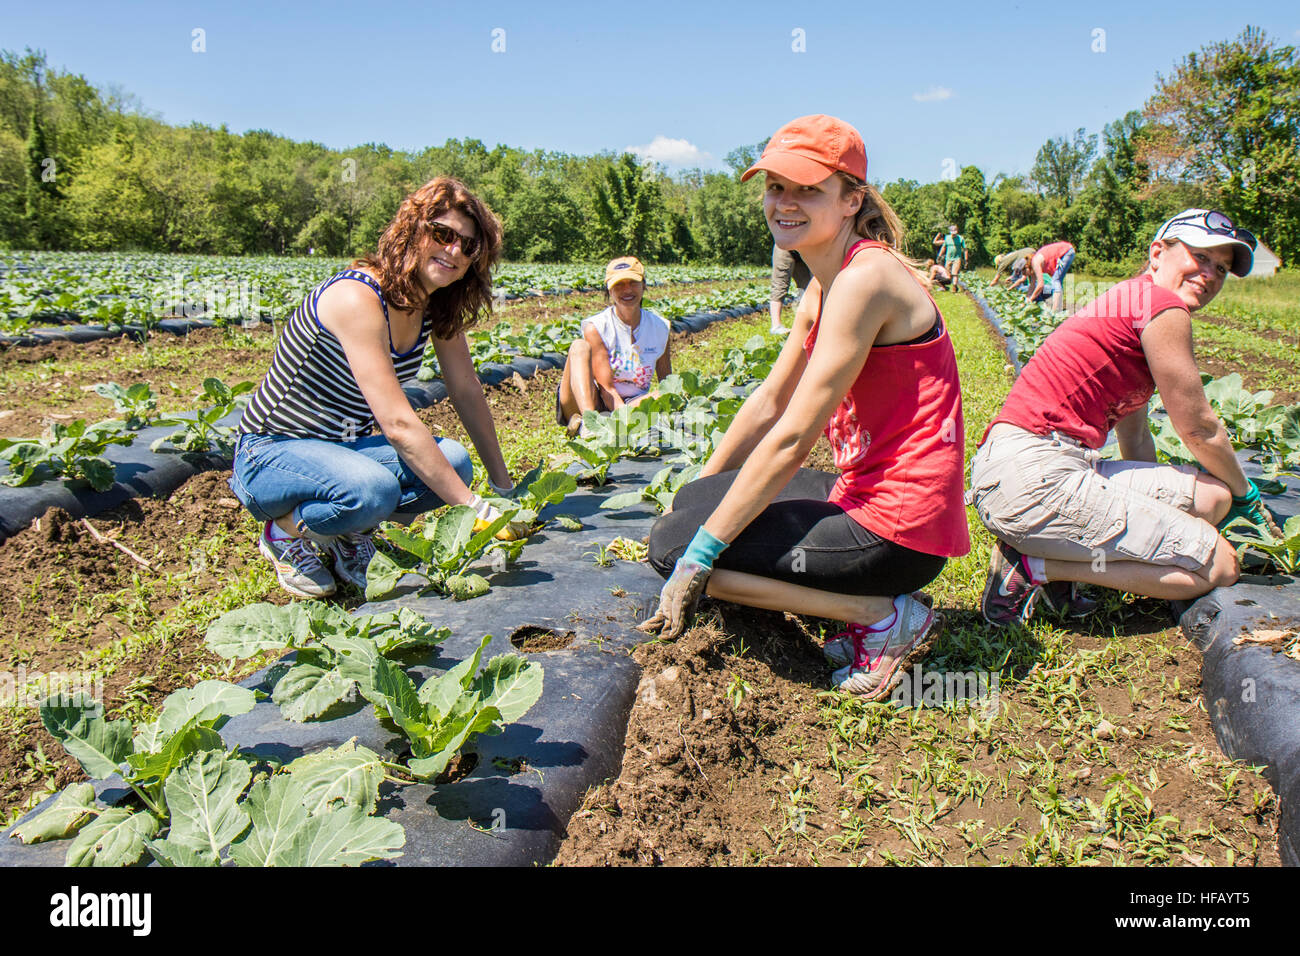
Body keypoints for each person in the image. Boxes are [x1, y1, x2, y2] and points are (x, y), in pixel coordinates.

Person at [638, 114, 970, 700]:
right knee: (693, 502)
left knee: (673, 549)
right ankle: (863, 598)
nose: (784, 203)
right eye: (775, 187)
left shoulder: (866, 280)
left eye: (807, 189)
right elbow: (770, 400)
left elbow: (793, 437)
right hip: (863, 494)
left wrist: (699, 555)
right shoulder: (823, 283)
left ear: (851, 200)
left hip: (900, 531)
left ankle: (878, 614)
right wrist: (705, 491)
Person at [972, 209, 1279, 627]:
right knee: (1220, 566)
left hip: (1031, 468)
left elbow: (1135, 440)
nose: (1210, 274)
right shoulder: (1162, 305)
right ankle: (1032, 567)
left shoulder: (1134, 299)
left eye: (1221, 268)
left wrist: (1158, 518)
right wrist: (1247, 495)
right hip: (1031, 479)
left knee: (1213, 498)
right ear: (1158, 252)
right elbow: (1199, 429)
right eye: (1201, 257)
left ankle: (1054, 552)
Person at [230, 176, 527, 599]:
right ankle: (284, 533)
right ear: (412, 230)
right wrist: (474, 509)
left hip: (341, 450)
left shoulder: (434, 305)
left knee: (455, 463)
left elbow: (465, 389)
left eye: (469, 245)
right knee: (372, 490)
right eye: (442, 234)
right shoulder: (357, 297)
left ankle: (349, 535)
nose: (454, 250)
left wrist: (503, 488)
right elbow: (397, 424)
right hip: (271, 452)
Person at [555, 256, 672, 438]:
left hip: (633, 404)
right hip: (593, 401)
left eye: (633, 282)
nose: (627, 290)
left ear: (644, 285)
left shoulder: (661, 327)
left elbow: (667, 381)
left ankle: (611, 423)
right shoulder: (597, 327)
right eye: (619, 284)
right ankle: (589, 424)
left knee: (667, 392)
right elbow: (606, 388)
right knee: (579, 347)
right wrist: (620, 419)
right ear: (609, 290)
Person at [769, 244, 812, 334]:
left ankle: (810, 323)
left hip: (809, 247)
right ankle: (776, 326)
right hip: (786, 247)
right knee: (780, 284)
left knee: (810, 286)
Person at [1025, 240, 1075, 311]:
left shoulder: (1035, 262)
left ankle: (1055, 310)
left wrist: (1031, 299)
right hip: (1067, 250)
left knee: (1056, 280)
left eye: (1024, 271)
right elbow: (1032, 285)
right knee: (1057, 281)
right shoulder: (1033, 266)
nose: (1025, 274)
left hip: (1066, 251)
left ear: (1027, 266)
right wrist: (1027, 297)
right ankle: (1057, 306)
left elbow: (1040, 285)